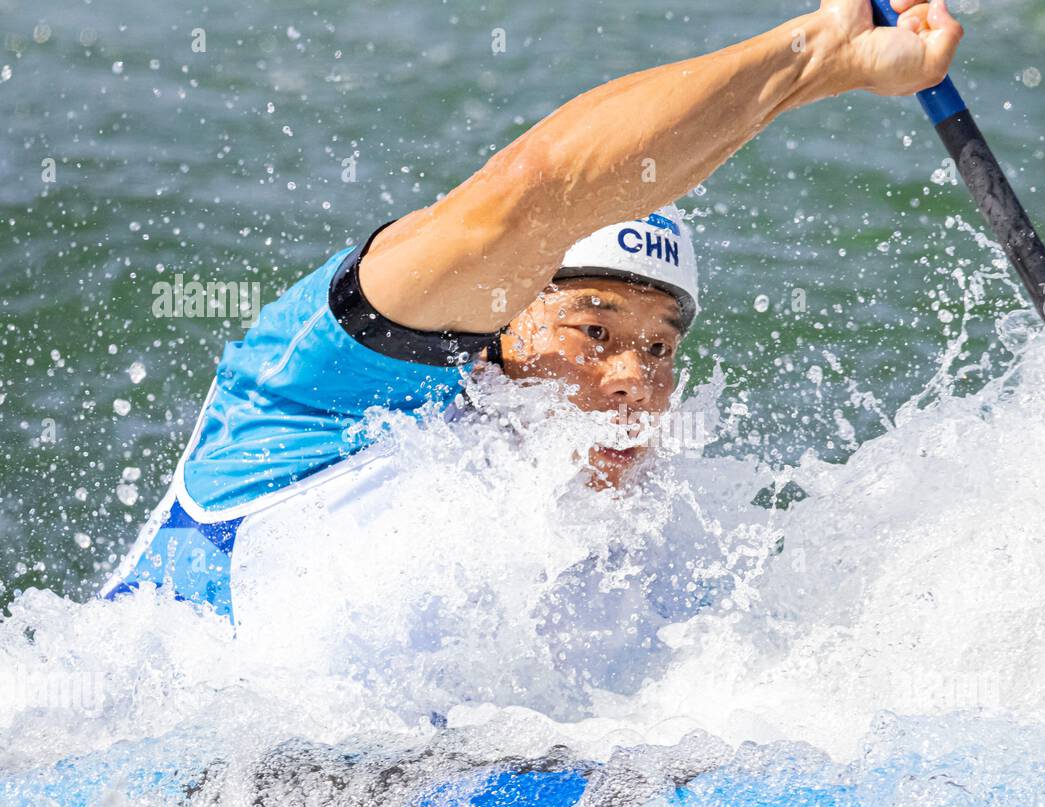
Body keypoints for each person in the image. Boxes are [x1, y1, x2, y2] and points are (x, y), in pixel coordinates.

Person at [102, 0, 964, 621]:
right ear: (498, 326)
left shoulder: (645, 547)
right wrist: (817, 57)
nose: (635, 380)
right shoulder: (313, 397)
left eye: (659, 350)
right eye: (594, 331)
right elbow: (533, 195)